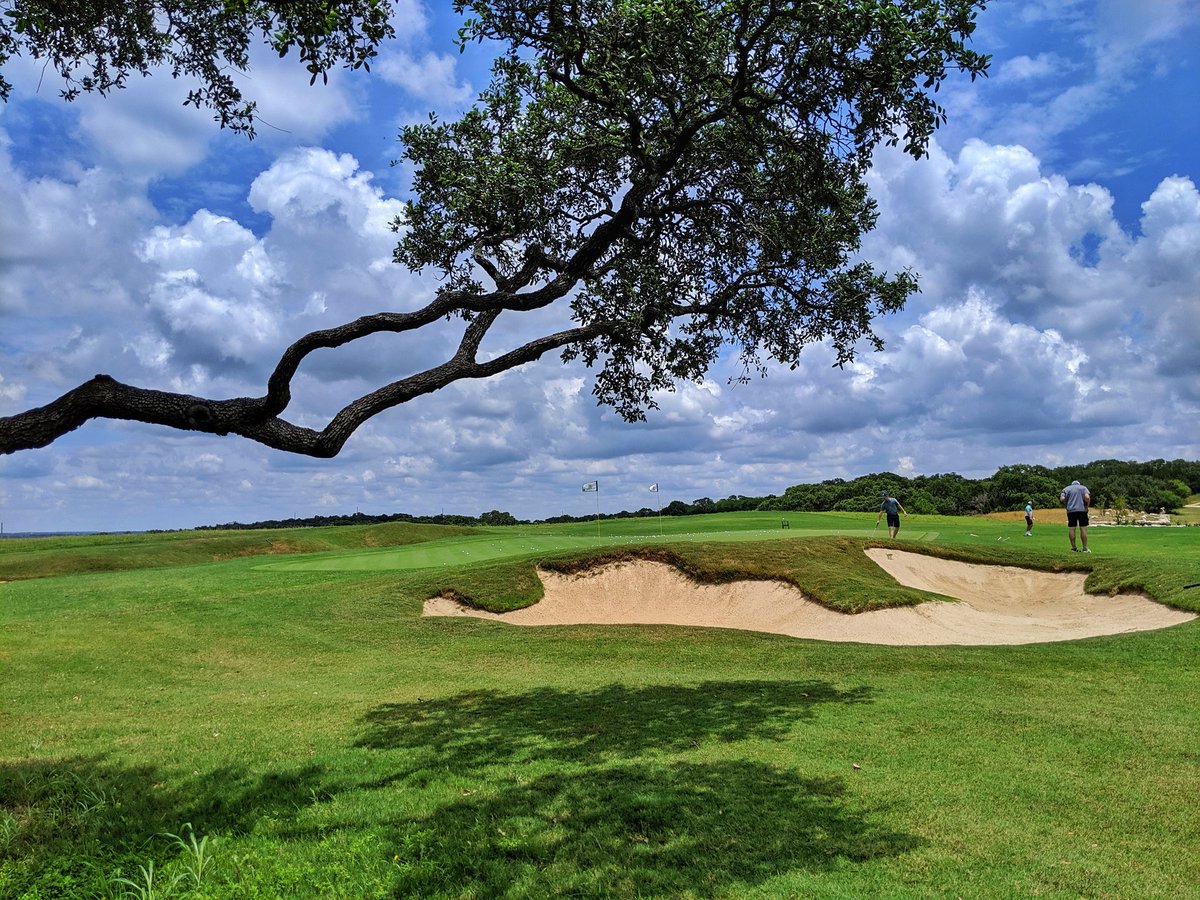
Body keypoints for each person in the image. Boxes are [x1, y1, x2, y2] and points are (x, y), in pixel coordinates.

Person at [1060, 480, 1091, 553]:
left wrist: (1068, 501)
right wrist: (1087, 507)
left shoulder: (1066, 489)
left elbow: (1062, 499)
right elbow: (1087, 498)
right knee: (1083, 528)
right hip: (1082, 510)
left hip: (1071, 511)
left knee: (1072, 528)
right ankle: (1085, 548)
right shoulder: (1083, 488)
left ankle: (1074, 548)